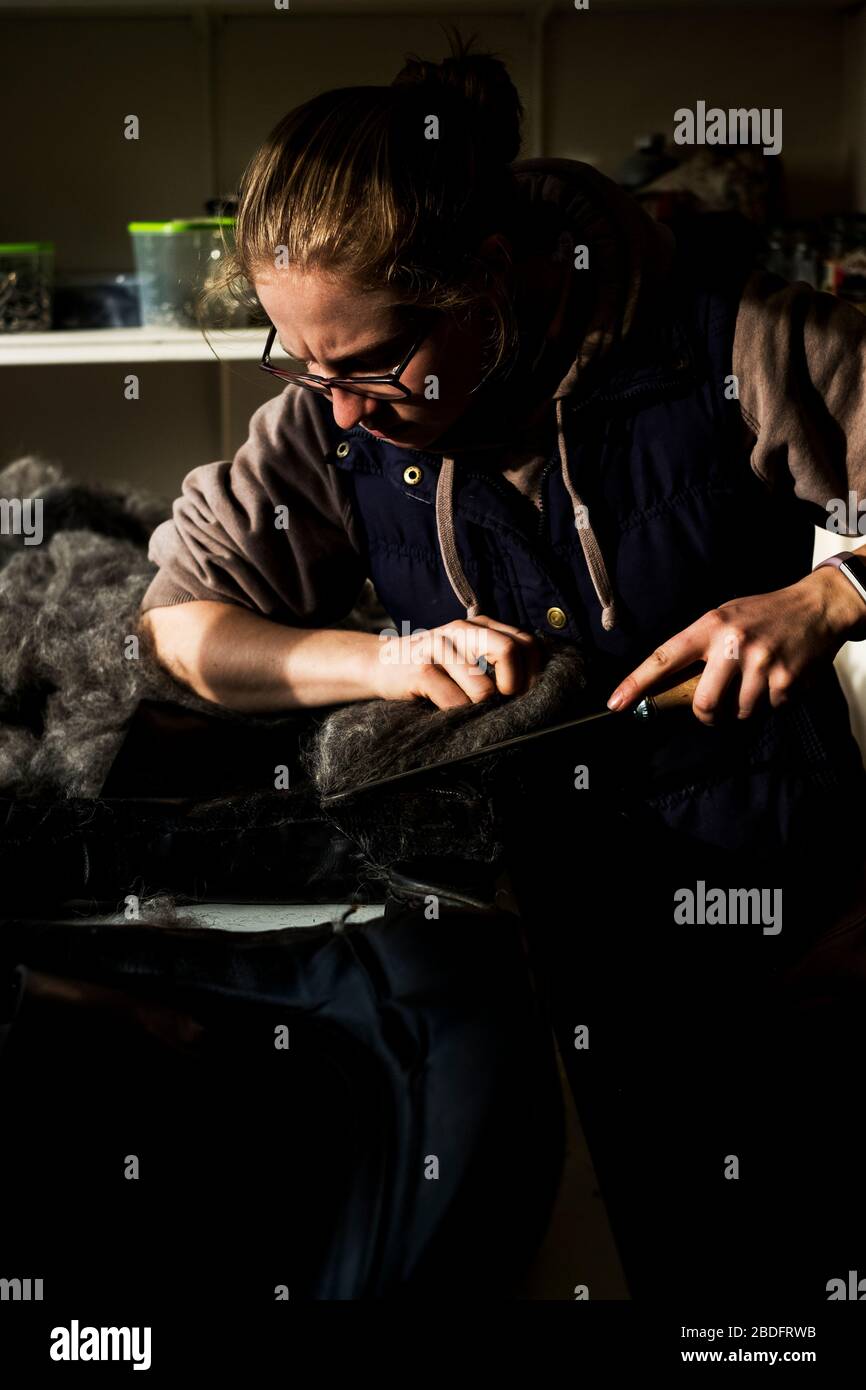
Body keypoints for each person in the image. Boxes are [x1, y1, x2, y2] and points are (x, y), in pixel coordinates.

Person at [140, 35, 866, 1298]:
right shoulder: (325, 417)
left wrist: (828, 590)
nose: (340, 407)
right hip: (545, 959)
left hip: (784, 933)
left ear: (485, 281)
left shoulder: (723, 333)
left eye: (370, 365)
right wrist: (382, 658)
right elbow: (185, 627)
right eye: (303, 366)